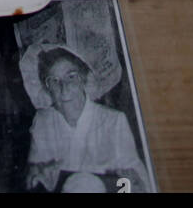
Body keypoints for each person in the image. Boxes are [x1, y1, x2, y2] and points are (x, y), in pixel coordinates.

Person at [26, 47, 149, 192]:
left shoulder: (114, 121)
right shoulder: (42, 122)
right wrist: (38, 175)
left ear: (83, 79)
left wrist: (129, 182)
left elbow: (139, 184)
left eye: (71, 76)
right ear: (47, 88)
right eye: (54, 80)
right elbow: (32, 179)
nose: (64, 88)